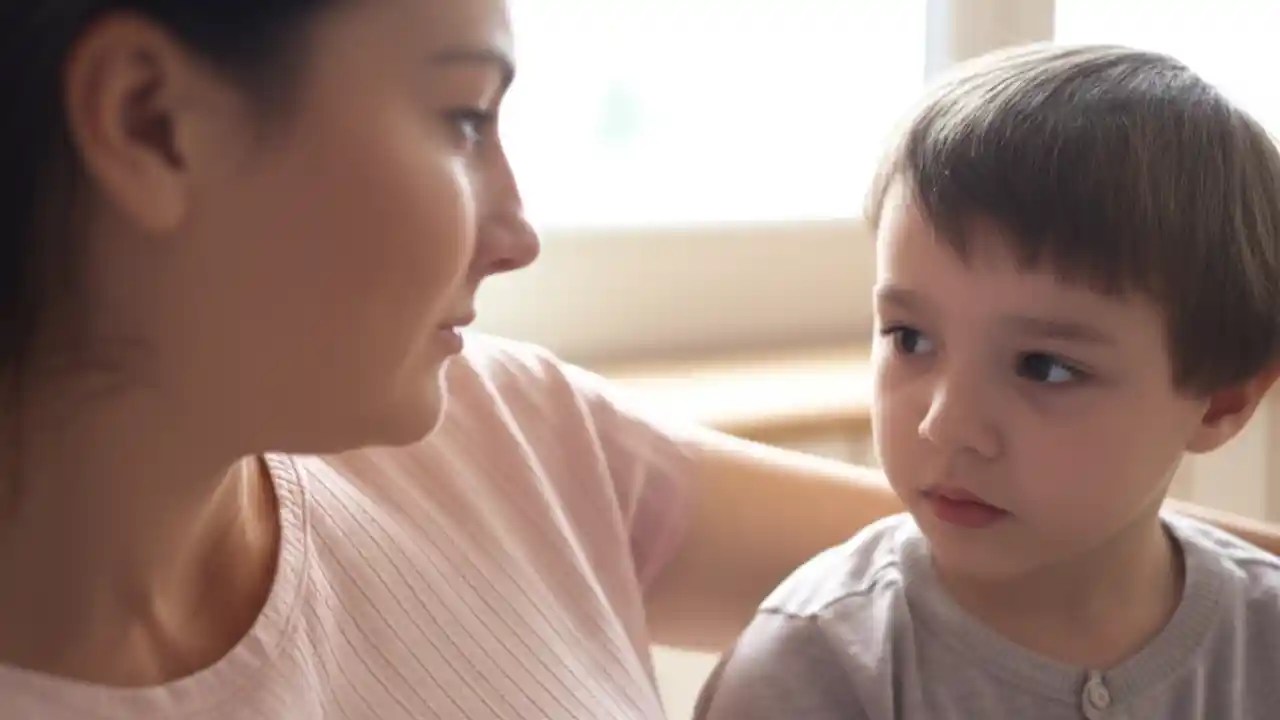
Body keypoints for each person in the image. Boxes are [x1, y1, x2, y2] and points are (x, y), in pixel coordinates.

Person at [0, 3, 1275, 717]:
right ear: (151, 124)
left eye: (1041, 362)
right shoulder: (816, 663)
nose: (516, 230)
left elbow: (1092, 560)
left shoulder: (503, 433)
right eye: (458, 115)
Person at [695, 44, 1280, 720]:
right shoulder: (811, 670)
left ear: (1223, 400)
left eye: (1044, 367)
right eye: (909, 338)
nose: (944, 423)